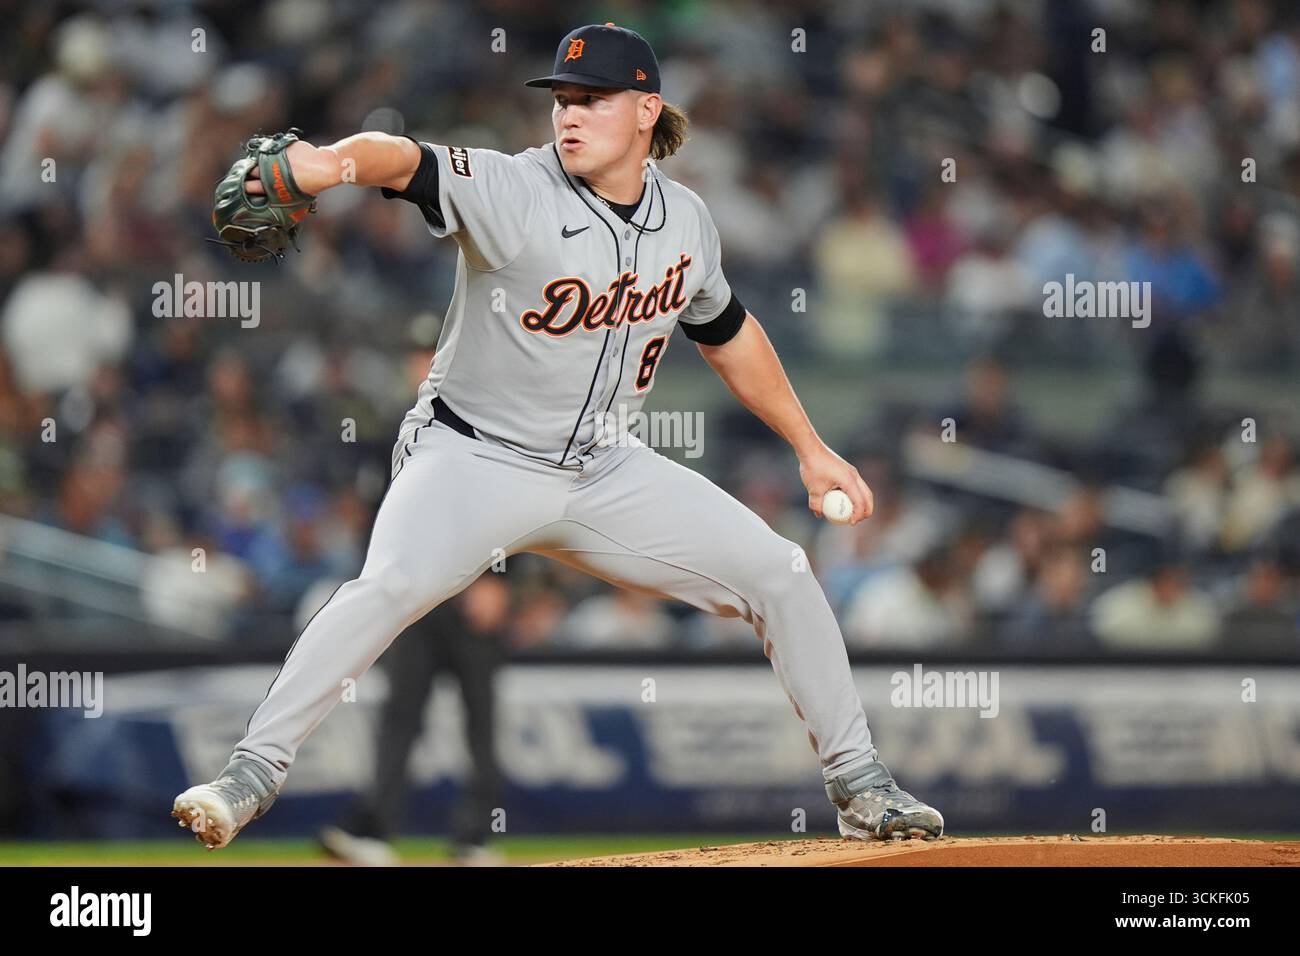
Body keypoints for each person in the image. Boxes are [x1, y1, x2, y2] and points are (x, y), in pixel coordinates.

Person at [172, 22, 942, 851]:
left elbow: (727, 332)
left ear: (647, 109)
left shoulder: (687, 220)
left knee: (782, 572)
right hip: (474, 455)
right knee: (389, 586)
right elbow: (403, 157)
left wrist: (809, 445)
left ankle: (860, 784)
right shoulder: (513, 189)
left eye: (593, 101)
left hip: (606, 469)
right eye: (562, 101)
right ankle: (250, 773)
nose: (568, 116)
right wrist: (327, 163)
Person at [319, 575, 508, 867]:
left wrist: (498, 578)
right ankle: (372, 832)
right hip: (417, 601)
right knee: (400, 721)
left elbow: (505, 529)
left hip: (470, 596)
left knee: (481, 726)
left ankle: (476, 838)